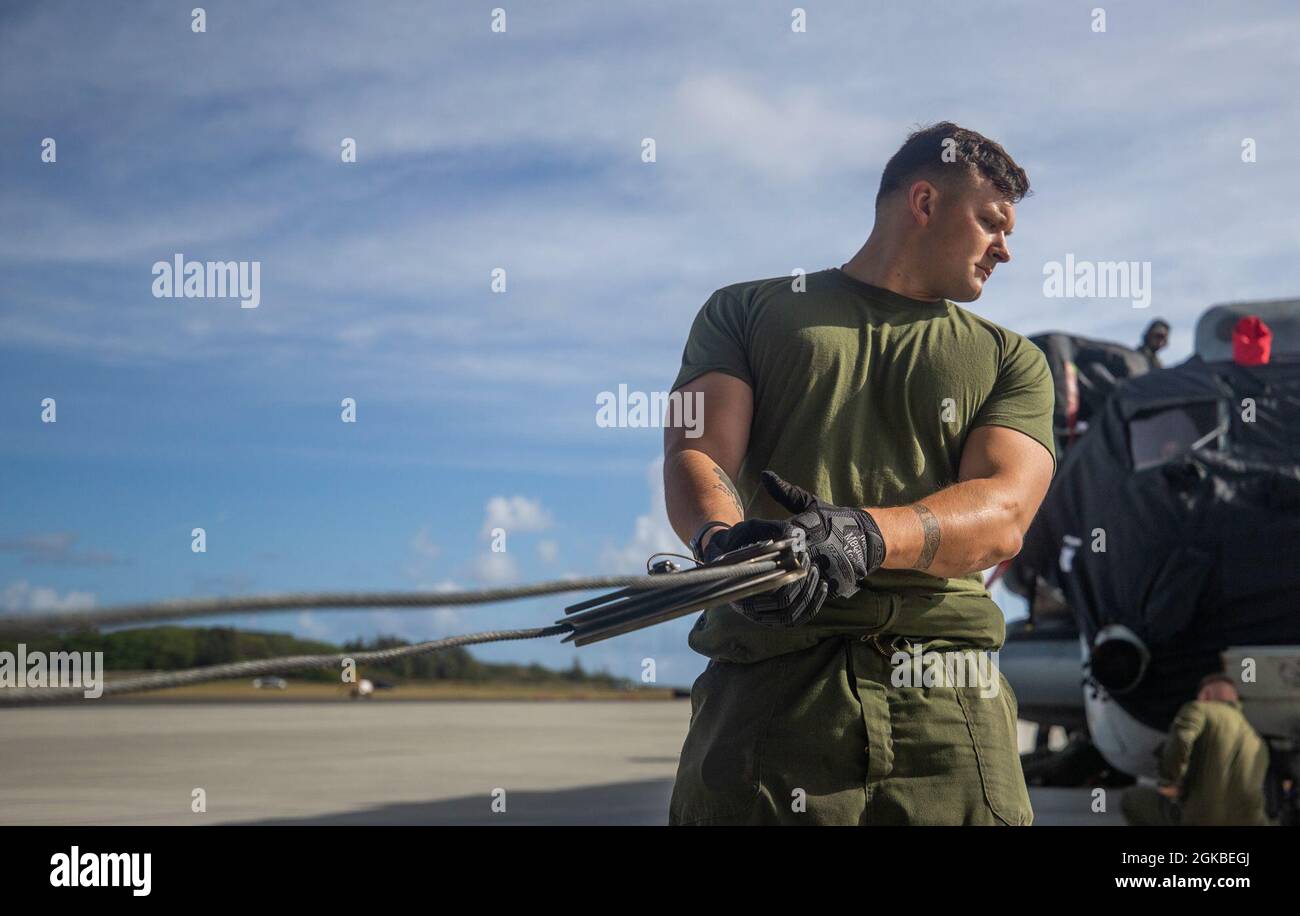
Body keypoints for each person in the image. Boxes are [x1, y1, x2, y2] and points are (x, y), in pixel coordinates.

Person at [663, 122, 1056, 825]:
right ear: (925, 201)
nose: (1006, 249)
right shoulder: (745, 310)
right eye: (992, 223)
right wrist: (721, 547)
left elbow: (1003, 513)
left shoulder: (1012, 359)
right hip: (768, 684)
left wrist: (865, 536)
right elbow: (698, 452)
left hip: (948, 698)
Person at [1121, 673, 1272, 826]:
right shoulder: (1256, 738)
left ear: (1205, 695)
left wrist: (1170, 778)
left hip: (1201, 818)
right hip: (1251, 822)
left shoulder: (1199, 709)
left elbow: (1182, 739)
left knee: (1131, 799)